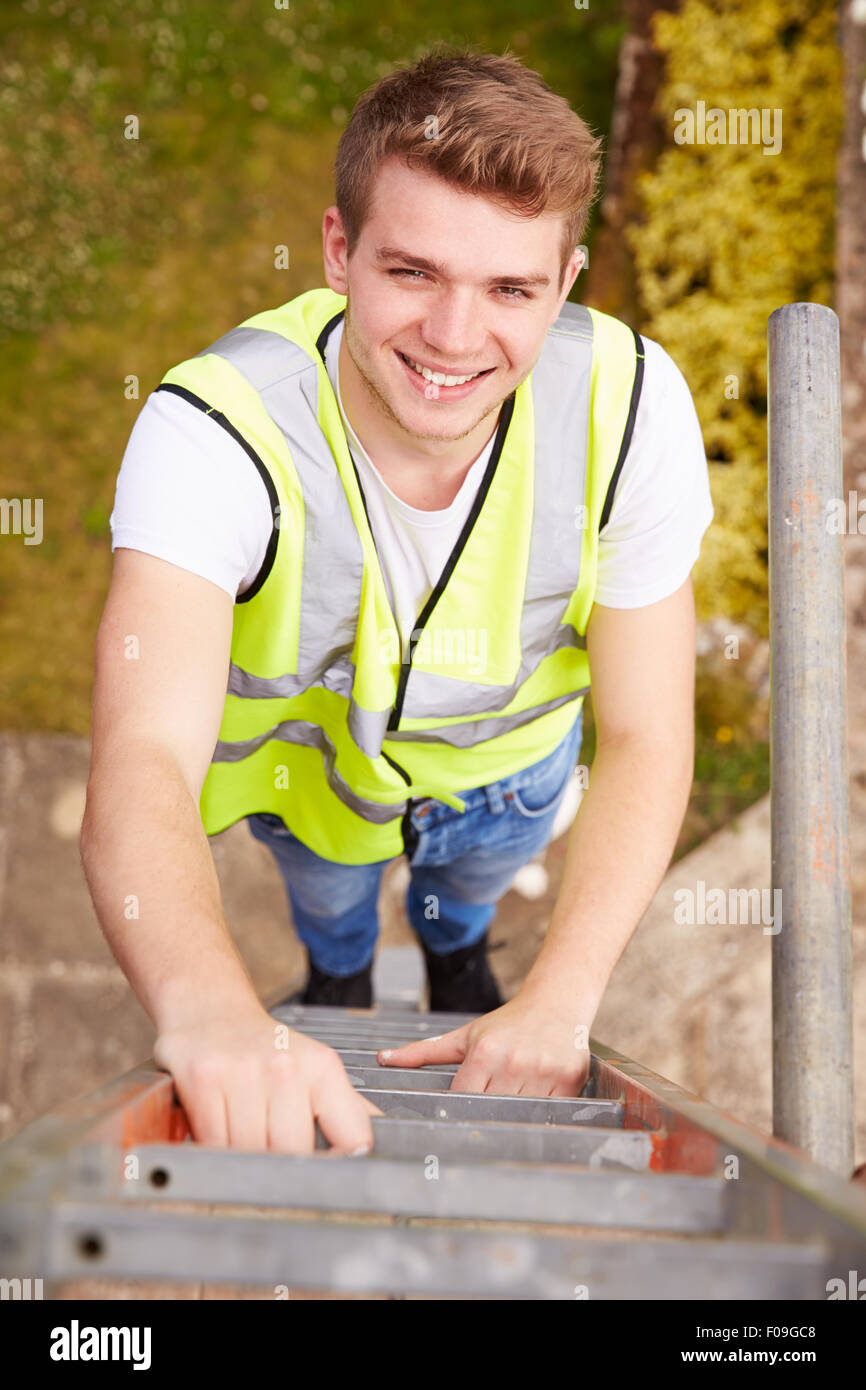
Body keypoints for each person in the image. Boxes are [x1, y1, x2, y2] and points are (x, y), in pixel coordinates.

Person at [81, 47, 713, 1156]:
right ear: (339, 250)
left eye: (510, 289)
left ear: (563, 287)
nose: (454, 339)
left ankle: (463, 959)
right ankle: (336, 974)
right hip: (312, 789)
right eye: (413, 272)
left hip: (505, 778)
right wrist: (214, 1014)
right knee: (329, 908)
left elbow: (651, 732)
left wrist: (562, 1001)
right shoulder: (210, 432)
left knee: (462, 904)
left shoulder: (630, 405)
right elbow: (141, 755)